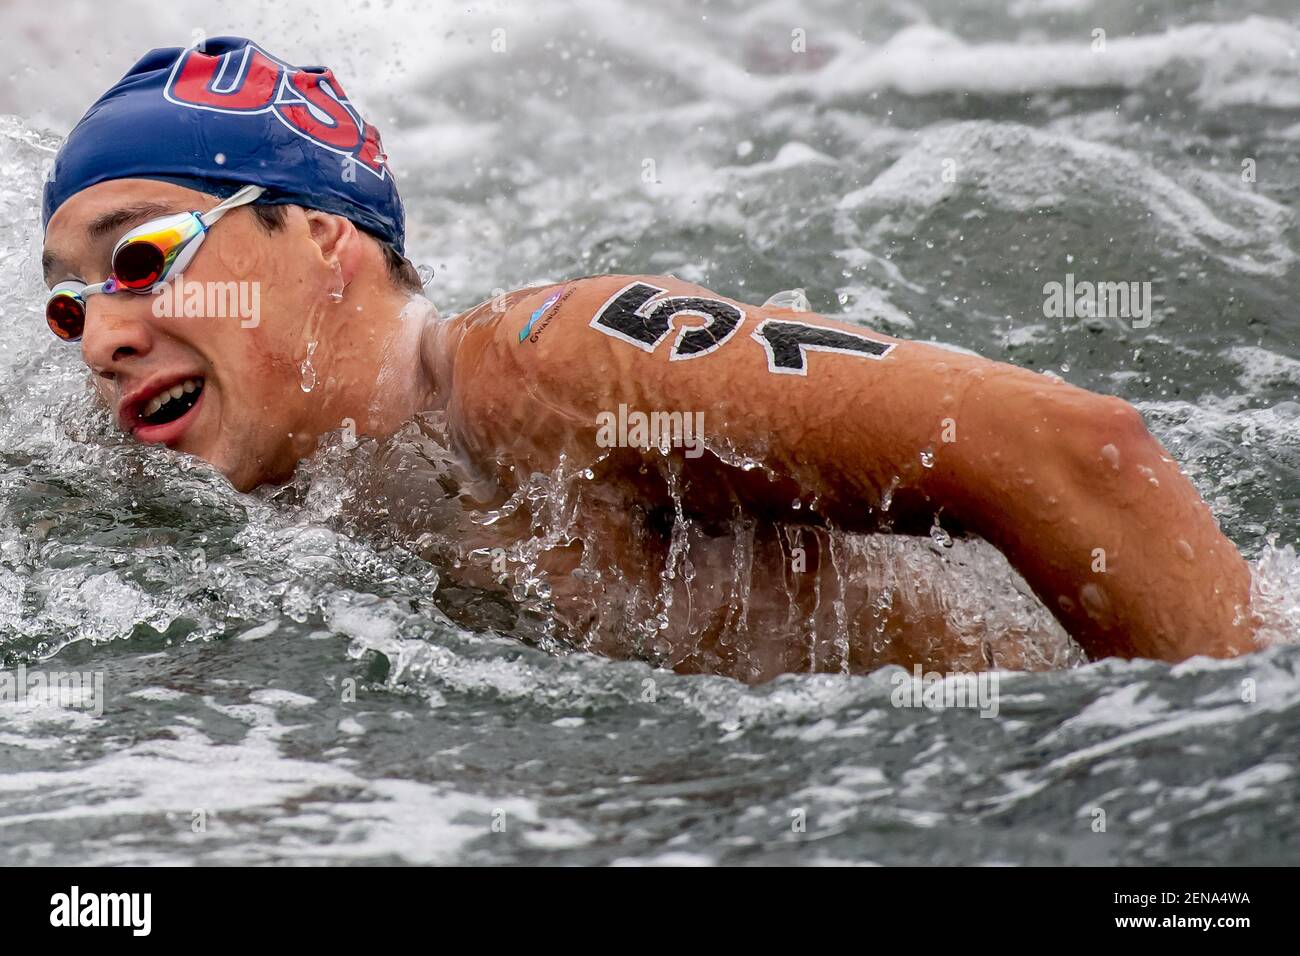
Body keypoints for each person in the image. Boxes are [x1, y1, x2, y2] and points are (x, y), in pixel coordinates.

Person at [39, 37, 1260, 682]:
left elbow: (1080, 449)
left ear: (319, 239)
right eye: (71, 303)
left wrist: (1202, 800)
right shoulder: (300, 505)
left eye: (140, 258)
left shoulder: (543, 369)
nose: (102, 334)